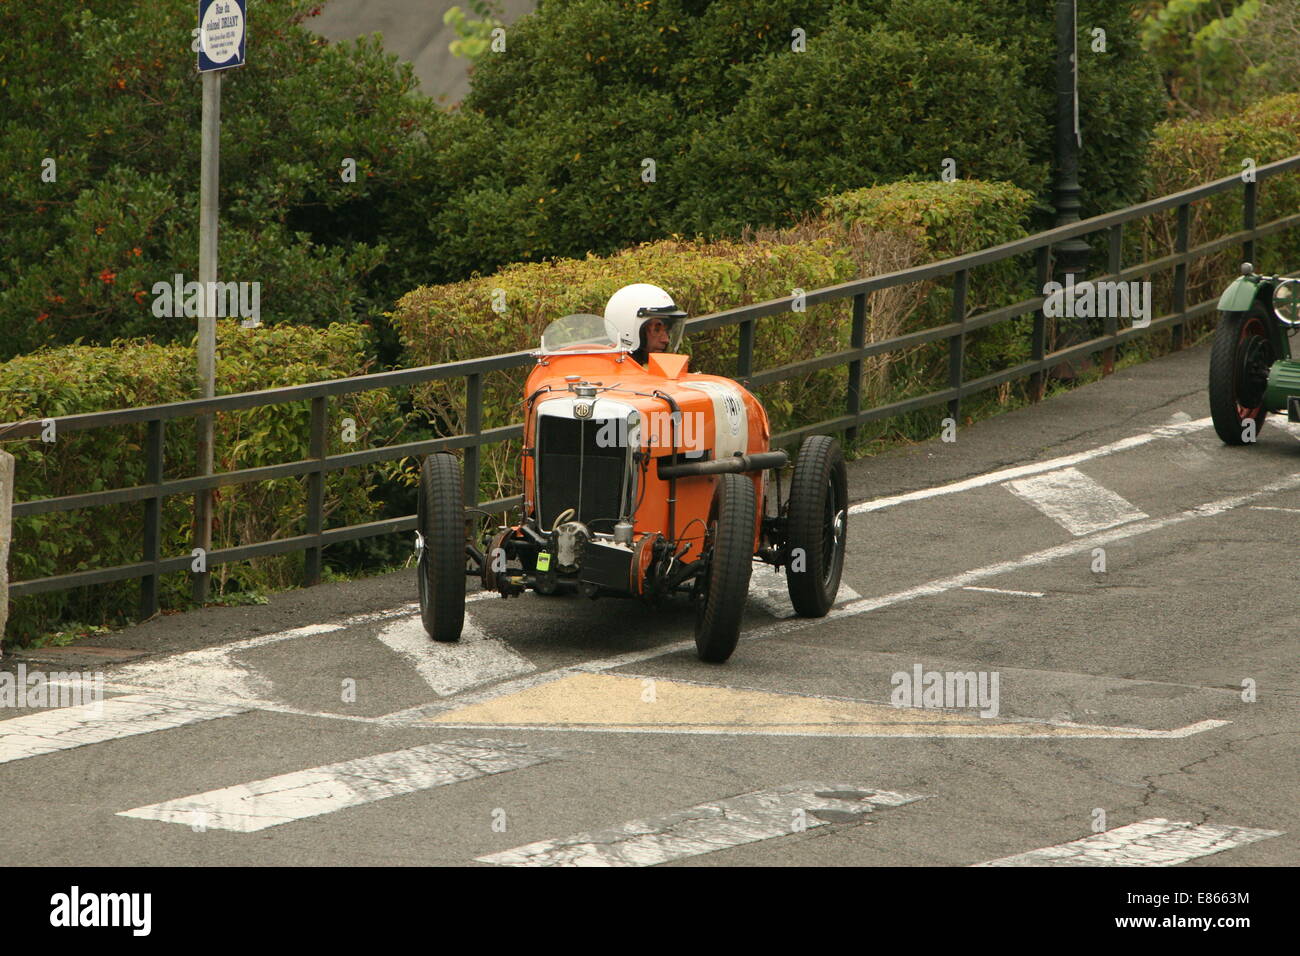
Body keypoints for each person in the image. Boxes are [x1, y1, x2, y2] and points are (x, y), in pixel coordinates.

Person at [603, 283, 687, 365]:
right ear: (627, 330)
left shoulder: (653, 373)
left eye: (667, 330)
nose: (666, 340)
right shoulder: (602, 373)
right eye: (656, 329)